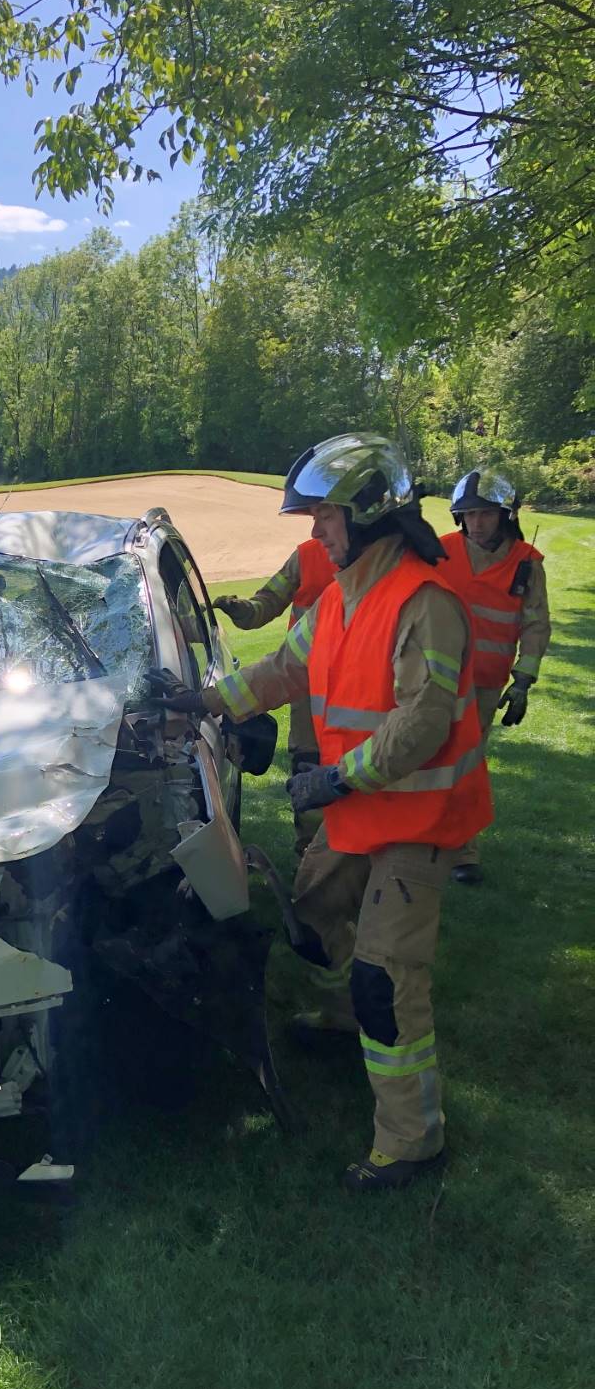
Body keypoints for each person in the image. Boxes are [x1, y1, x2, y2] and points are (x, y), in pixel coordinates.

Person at [151, 434, 491, 1193]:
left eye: (327, 518)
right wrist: (204, 701)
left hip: (420, 822)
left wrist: (337, 779)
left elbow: (424, 723)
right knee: (307, 919)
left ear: (371, 515)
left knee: (383, 976)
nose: (314, 533)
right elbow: (282, 670)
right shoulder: (341, 596)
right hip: (366, 810)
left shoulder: (424, 604)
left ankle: (412, 1142)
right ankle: (345, 1024)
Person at [438, 470, 550, 885]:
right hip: (433, 676)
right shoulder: (439, 551)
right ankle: (417, 835)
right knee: (420, 753)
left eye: (485, 514)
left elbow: (536, 624)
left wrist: (523, 680)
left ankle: (463, 850)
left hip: (485, 683)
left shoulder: (527, 564)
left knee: (466, 762)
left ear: (504, 515)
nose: (477, 523)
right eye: (469, 514)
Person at [214, 536, 335, 852]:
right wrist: (242, 609)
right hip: (305, 680)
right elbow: (267, 603)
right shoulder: (306, 555)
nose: (317, 526)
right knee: (309, 761)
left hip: (356, 682)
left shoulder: (382, 560)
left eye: (326, 513)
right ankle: (309, 848)